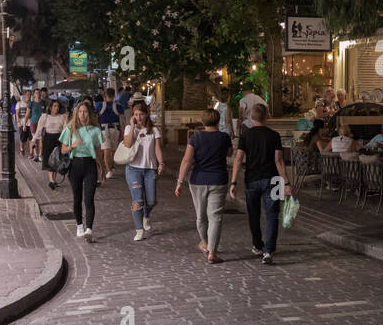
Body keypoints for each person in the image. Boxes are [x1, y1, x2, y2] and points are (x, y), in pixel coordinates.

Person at [229, 102, 292, 265]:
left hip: (252, 179)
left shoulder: (245, 136)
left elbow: (238, 159)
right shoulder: (274, 135)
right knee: (272, 215)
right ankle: (269, 251)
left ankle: (257, 244)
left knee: (254, 215)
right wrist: (286, 182)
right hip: (273, 180)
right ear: (267, 116)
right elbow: (279, 160)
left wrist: (233, 181)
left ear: (251, 117)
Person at [175, 109, 231, 263]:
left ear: (203, 121)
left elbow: (187, 161)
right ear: (218, 120)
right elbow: (230, 153)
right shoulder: (224, 137)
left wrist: (180, 181)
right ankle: (212, 252)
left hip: (198, 180)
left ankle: (205, 242)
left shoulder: (195, 138)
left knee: (201, 216)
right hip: (218, 179)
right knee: (215, 217)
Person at [59, 101, 104, 241]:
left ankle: (89, 229)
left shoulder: (96, 130)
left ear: (89, 114)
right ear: (76, 113)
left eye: (85, 111)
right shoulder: (70, 128)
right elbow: (63, 149)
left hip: (90, 164)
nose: (82, 114)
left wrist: (102, 167)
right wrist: (72, 145)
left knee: (89, 198)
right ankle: (79, 225)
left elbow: (98, 150)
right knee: (77, 198)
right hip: (75, 164)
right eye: (80, 112)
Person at [122, 100, 164, 242]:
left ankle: (146, 215)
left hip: (150, 169)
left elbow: (157, 148)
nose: (138, 117)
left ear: (146, 115)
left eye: (141, 114)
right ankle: (139, 229)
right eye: (136, 114)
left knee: (151, 200)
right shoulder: (129, 128)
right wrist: (133, 126)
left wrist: (161, 162)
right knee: (138, 200)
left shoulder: (154, 130)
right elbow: (127, 144)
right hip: (133, 169)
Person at [36, 99, 67, 188]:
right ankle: (51, 180)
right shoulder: (45, 116)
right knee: (50, 160)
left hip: (58, 139)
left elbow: (65, 129)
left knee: (57, 160)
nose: (56, 108)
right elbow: (39, 129)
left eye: (58, 106)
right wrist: (35, 139)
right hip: (48, 139)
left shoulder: (62, 117)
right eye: (54, 106)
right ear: (50, 107)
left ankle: (53, 179)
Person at [98, 88, 122, 180]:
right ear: (114, 95)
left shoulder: (99, 105)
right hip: (116, 129)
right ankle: (110, 169)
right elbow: (122, 120)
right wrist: (123, 132)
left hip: (104, 129)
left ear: (105, 95)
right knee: (111, 151)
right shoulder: (118, 106)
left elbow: (96, 117)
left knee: (107, 151)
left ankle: (110, 169)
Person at [28, 90, 45, 160]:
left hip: (41, 123)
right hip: (33, 122)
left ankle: (40, 154)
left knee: (41, 139)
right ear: (34, 94)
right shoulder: (31, 103)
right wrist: (23, 124)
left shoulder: (43, 103)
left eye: (39, 92)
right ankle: (35, 154)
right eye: (36, 93)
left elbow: (46, 113)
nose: (38, 94)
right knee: (34, 139)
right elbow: (27, 114)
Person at [14, 91, 32, 157]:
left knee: (31, 138)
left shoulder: (31, 103)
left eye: (30, 94)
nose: (28, 96)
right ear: (24, 95)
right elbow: (17, 113)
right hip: (22, 123)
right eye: (27, 94)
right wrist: (18, 121)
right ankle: (22, 148)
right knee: (23, 138)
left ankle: (31, 152)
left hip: (30, 123)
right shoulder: (19, 103)